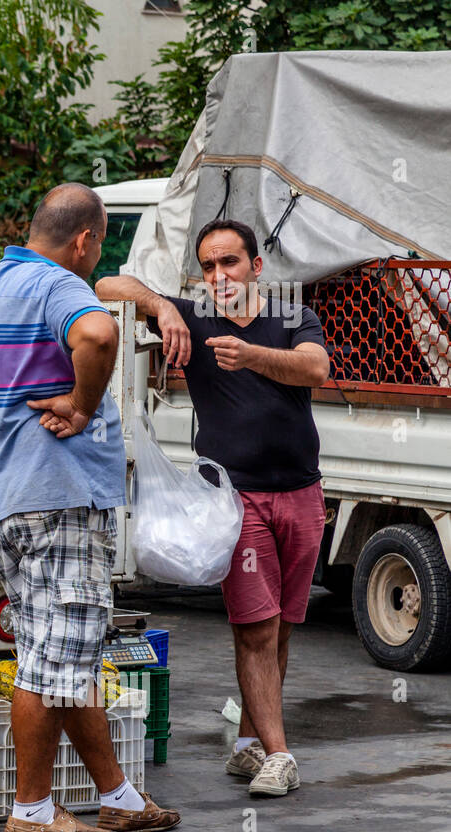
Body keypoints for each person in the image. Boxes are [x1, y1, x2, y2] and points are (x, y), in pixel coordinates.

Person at [0, 183, 180, 832]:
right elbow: (96, 334)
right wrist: (83, 407)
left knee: (59, 655)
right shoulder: (59, 287)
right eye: (98, 244)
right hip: (59, 498)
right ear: (84, 240)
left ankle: (117, 797)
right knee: (51, 663)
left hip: (3, 505)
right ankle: (31, 811)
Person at [96, 218, 330, 798]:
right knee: (255, 626)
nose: (219, 275)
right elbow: (106, 286)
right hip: (235, 500)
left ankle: (250, 746)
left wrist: (250, 355)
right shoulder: (195, 318)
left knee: (282, 630)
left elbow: (315, 368)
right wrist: (162, 306)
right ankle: (279, 756)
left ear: (256, 266)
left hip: (303, 493)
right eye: (208, 266)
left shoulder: (294, 318)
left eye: (229, 262)